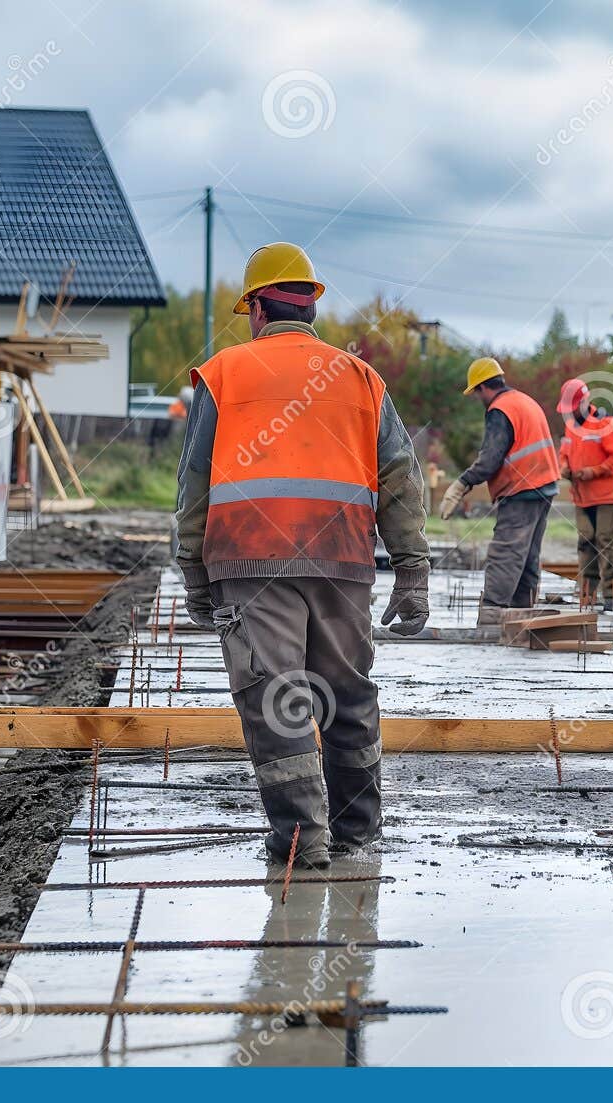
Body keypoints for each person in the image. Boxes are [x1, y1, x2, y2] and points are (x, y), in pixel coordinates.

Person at [174, 242, 431, 868]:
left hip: (251, 564)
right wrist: (412, 571)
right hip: (343, 561)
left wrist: (194, 575)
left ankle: (303, 842)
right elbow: (402, 480)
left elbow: (193, 488)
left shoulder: (226, 374)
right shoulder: (361, 379)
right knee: (347, 695)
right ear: (309, 305)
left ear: (258, 308)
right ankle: (359, 833)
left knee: (278, 700)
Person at [438, 358, 561, 624]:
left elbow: (490, 459)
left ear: (483, 387)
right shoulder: (524, 401)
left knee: (506, 552)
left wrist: (462, 484)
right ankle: (522, 614)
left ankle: (493, 615)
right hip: (543, 485)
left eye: (476, 393)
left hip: (523, 489)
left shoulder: (500, 409)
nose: (477, 398)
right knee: (527, 554)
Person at [557, 378, 613, 610]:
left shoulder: (605, 424)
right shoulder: (570, 427)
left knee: (606, 543)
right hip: (581, 496)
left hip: (606, 497)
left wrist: (593, 471)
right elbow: (563, 454)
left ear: (584, 401)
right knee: (585, 542)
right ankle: (587, 595)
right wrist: (564, 468)